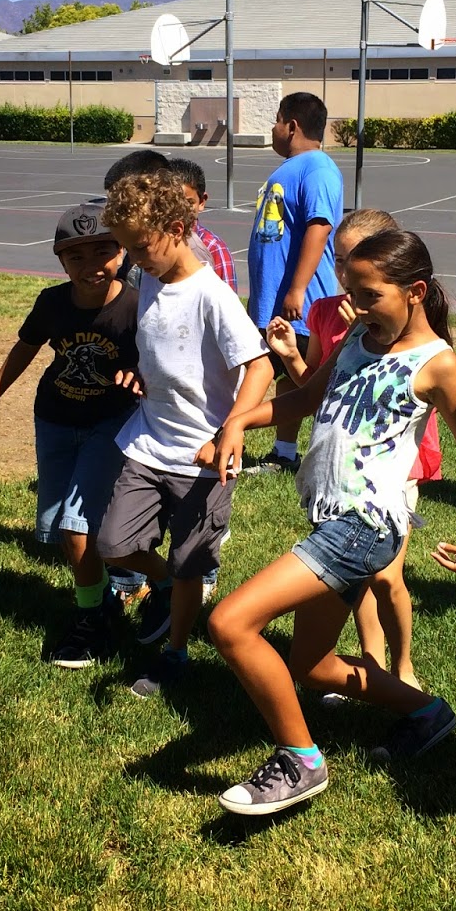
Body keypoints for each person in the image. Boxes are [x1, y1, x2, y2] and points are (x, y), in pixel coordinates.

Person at [209, 229, 456, 816]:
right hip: (332, 522)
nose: (358, 308)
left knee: (230, 623)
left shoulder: (438, 365)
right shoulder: (355, 342)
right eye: (351, 293)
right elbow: (305, 400)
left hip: (366, 525)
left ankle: (300, 760)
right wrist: (238, 422)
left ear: (415, 292)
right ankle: (428, 712)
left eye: (371, 296)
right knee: (313, 667)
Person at [97, 171, 274, 698]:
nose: (131, 259)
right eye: (126, 247)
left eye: (139, 246)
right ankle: (167, 585)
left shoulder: (211, 294)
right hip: (149, 442)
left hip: (203, 459)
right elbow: (162, 348)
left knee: (190, 561)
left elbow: (260, 366)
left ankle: (175, 652)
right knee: (113, 543)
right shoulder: (150, 276)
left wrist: (230, 431)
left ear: (176, 229)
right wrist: (138, 372)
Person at [263, 207, 442, 687]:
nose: (344, 273)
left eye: (354, 259)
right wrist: (291, 355)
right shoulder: (325, 312)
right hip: (344, 474)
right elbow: (316, 390)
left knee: (385, 577)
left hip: (392, 471)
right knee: (354, 572)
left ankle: (402, 668)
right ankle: (371, 663)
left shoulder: (396, 318)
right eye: (338, 261)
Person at [0, 203, 139, 667]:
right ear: (61, 261)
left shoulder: (136, 306)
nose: (91, 265)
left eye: (102, 251)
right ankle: (104, 597)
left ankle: (92, 622)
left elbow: (163, 359)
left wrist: (142, 375)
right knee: (60, 527)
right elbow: (24, 349)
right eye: (76, 256)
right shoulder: (52, 303)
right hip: (55, 419)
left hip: (111, 423)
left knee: (76, 525)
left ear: (122, 252)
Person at [244, 92, 344, 475]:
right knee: (286, 370)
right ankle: (284, 453)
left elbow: (320, 226)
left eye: (276, 120)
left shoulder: (317, 168)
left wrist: (298, 289)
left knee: (271, 365)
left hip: (299, 300)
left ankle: (227, 436)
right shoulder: (292, 168)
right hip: (274, 298)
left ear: (292, 126)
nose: (273, 128)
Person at [166, 156, 237, 290]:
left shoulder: (214, 249)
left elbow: (228, 298)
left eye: (188, 202)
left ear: (202, 201)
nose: (179, 210)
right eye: (171, 202)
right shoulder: (151, 244)